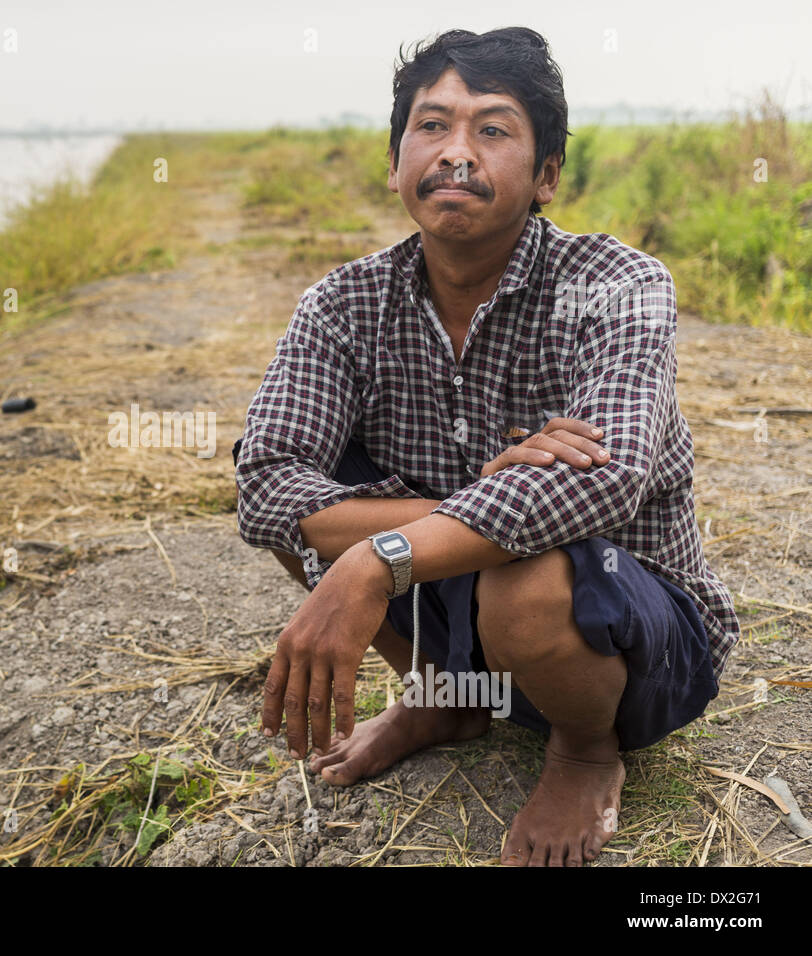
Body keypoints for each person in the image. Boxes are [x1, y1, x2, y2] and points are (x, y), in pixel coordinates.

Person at [232, 26, 740, 867]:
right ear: (396, 160)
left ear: (546, 176)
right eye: (431, 126)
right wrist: (446, 521)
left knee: (527, 572)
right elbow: (266, 485)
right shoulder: (343, 305)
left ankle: (584, 751)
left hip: (637, 640)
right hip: (461, 610)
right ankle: (443, 697)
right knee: (309, 485)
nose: (456, 154)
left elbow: (605, 485)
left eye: (493, 130)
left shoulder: (618, 284)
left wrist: (375, 558)